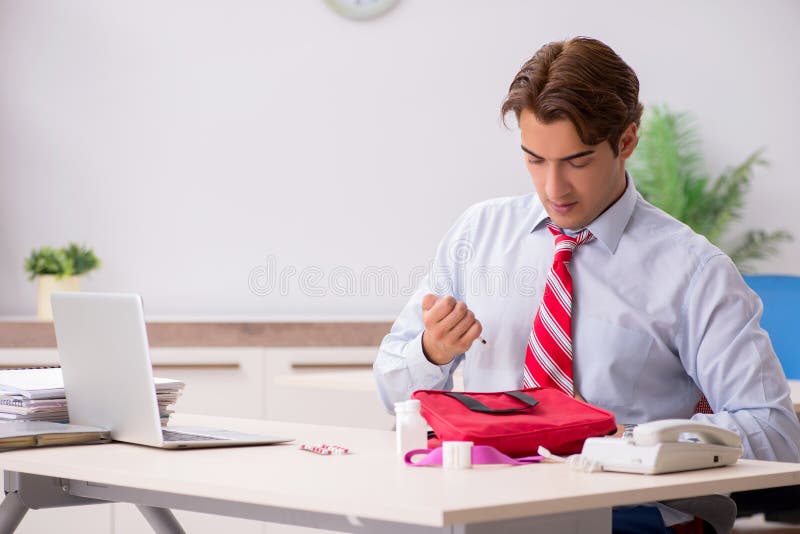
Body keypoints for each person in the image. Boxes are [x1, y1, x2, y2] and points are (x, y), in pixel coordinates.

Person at [373, 36, 800, 533]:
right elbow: (392, 393)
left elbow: (774, 430)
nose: (554, 189)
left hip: (628, 511)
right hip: (486, 502)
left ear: (627, 141)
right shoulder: (478, 235)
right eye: (535, 159)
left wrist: (630, 441)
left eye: (576, 162)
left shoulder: (694, 270)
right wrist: (432, 353)